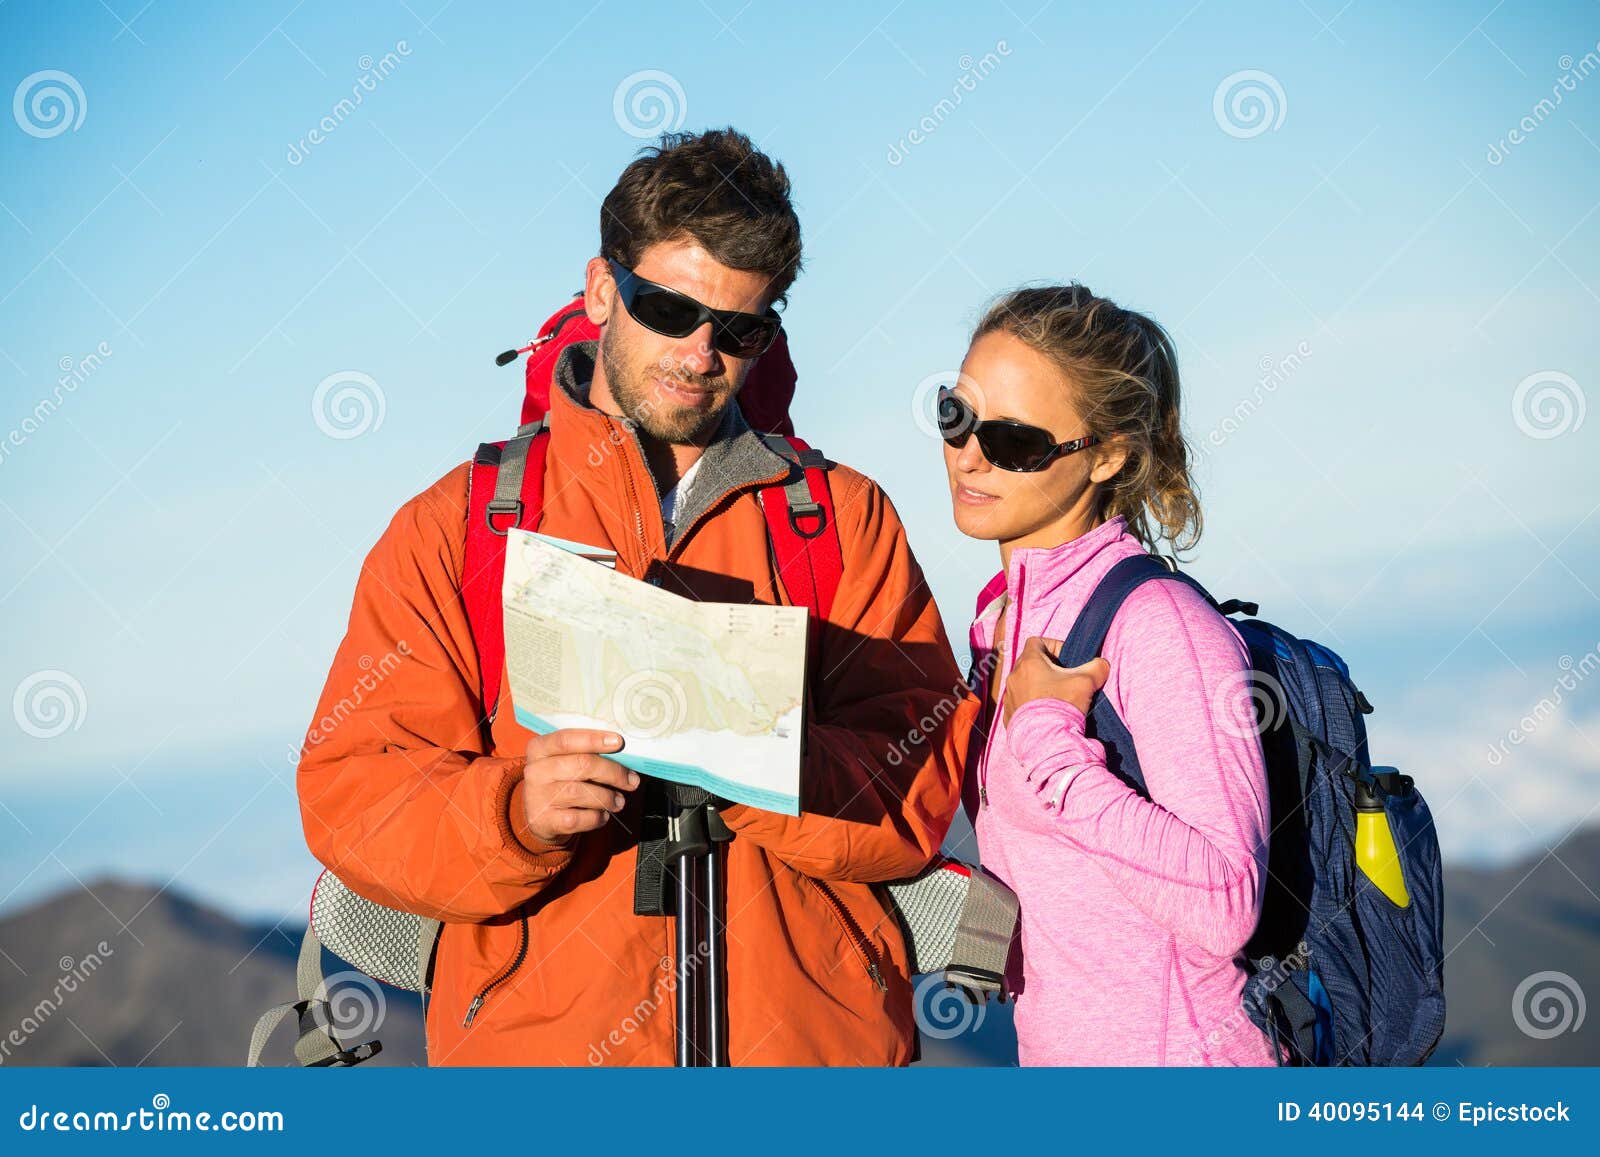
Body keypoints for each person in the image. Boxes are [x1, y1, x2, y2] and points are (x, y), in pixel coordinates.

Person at [296, 128, 975, 1066]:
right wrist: (514, 813)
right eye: (668, 307)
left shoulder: (841, 519)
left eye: (740, 328)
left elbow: (922, 780)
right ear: (602, 289)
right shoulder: (458, 526)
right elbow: (353, 791)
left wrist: (754, 762)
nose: (702, 353)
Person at [941, 284, 1277, 1065]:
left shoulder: (1160, 625)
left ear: (1109, 453)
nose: (971, 455)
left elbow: (1226, 899)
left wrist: (1048, 742)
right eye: (956, 417)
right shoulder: (1000, 623)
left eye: (1016, 440)